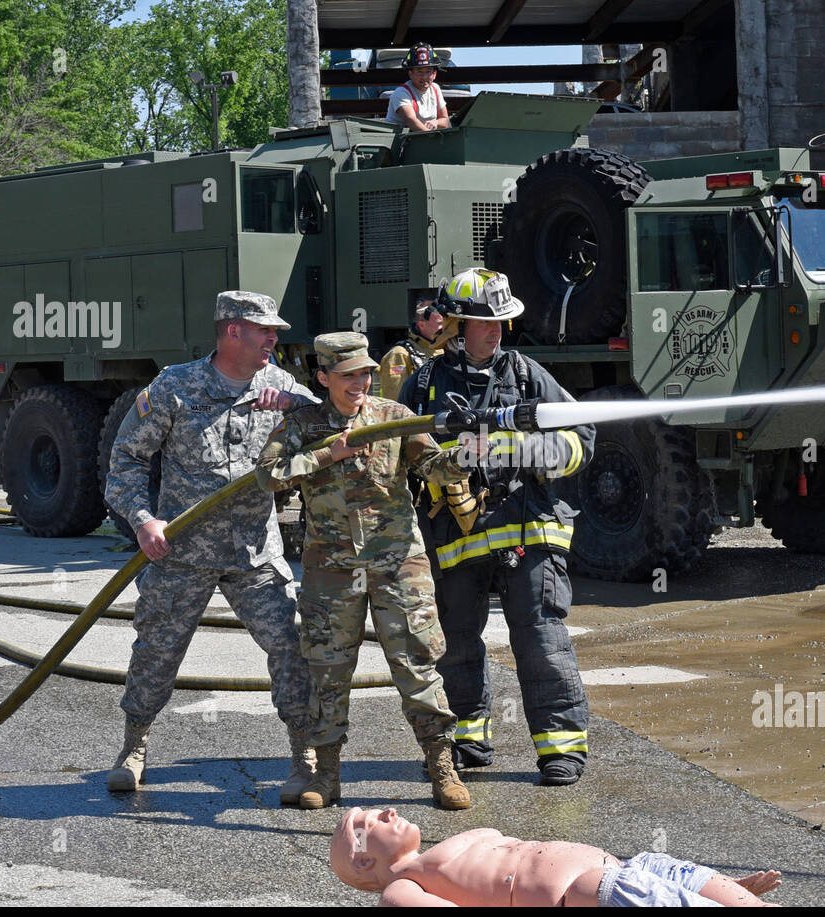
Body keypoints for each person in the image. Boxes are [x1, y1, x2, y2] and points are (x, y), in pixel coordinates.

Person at [104, 290, 317, 801]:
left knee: (291, 645)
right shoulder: (176, 387)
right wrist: (142, 519)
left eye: (275, 332)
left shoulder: (280, 384)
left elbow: (332, 427)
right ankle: (134, 747)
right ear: (231, 331)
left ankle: (305, 754)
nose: (273, 338)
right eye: (264, 330)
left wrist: (294, 407)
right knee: (156, 649)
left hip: (254, 553)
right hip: (181, 553)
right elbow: (126, 460)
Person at [255, 331, 481, 811]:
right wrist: (325, 454)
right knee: (328, 672)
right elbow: (267, 476)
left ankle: (442, 767)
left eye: (365, 374)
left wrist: (466, 455)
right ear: (323, 378)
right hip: (331, 570)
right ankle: (327, 774)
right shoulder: (304, 423)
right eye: (348, 375)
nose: (359, 382)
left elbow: (435, 469)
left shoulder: (393, 418)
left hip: (398, 563)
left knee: (416, 664)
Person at [398, 268, 595, 787]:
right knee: (457, 644)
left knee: (541, 639)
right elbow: (398, 449)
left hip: (528, 533)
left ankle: (561, 748)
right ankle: (467, 741)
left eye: (502, 322)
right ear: (457, 325)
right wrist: (444, 462)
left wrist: (519, 448)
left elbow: (582, 440)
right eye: (485, 323)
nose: (496, 332)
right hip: (454, 536)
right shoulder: (422, 386)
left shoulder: (529, 377)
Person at [331, 807, 783, 907]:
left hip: (631, 870)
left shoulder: (461, 841)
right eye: (363, 824)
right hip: (586, 891)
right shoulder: (401, 890)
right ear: (363, 862)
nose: (384, 812)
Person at [376, 296, 454, 401]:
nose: (444, 329)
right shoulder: (400, 355)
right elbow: (395, 402)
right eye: (440, 324)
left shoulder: (448, 350)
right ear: (421, 325)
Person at [384, 42, 449, 133]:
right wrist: (432, 138)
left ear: (434, 74)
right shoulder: (401, 93)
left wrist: (436, 122)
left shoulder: (435, 88)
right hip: (399, 143)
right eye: (420, 71)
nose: (424, 77)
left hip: (423, 139)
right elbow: (411, 121)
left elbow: (445, 120)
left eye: (428, 71)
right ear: (410, 73)